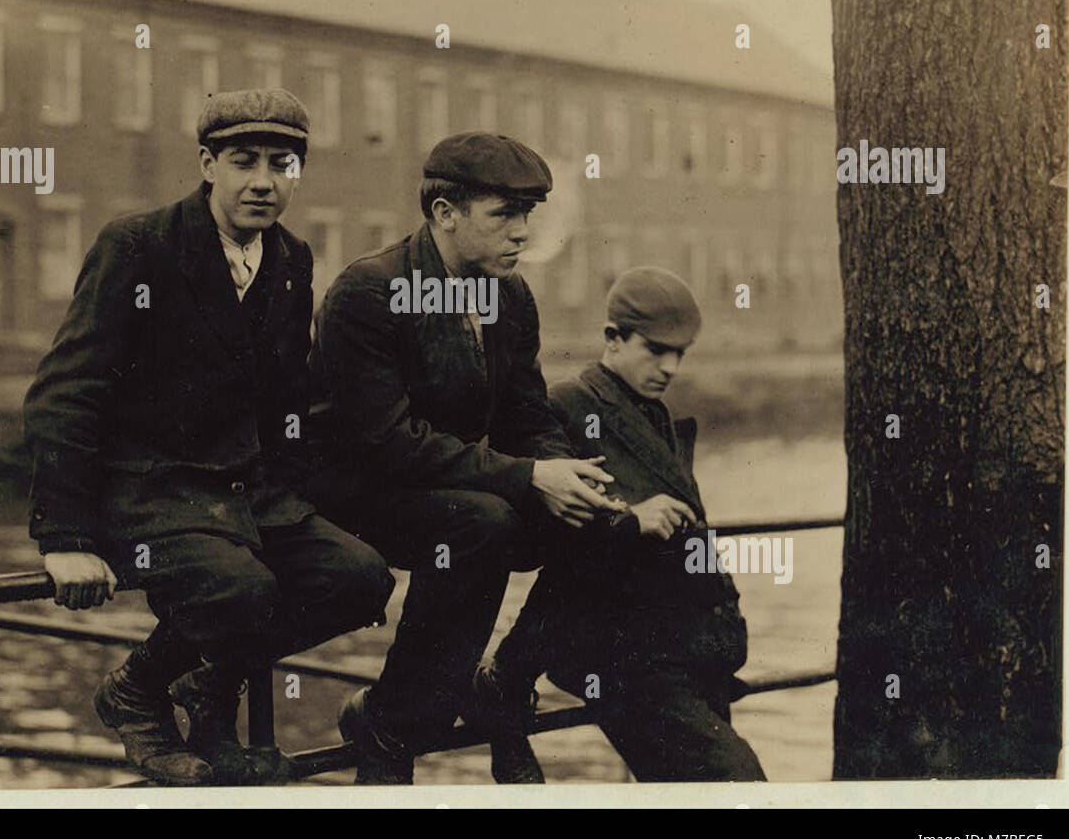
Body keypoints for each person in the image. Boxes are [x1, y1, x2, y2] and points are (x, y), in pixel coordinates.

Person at [22, 89, 394, 786]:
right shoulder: (137, 246)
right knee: (239, 588)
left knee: (358, 578)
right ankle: (139, 692)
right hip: (147, 486)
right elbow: (66, 390)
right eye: (243, 160)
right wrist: (64, 538)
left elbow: (287, 403)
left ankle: (203, 691)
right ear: (207, 164)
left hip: (242, 490)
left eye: (282, 163)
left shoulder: (290, 258)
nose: (263, 180)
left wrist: (300, 501)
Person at [305, 131, 624, 784]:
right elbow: (386, 441)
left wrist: (568, 474)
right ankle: (394, 726)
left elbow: (526, 413)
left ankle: (499, 687)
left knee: (595, 524)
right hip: (359, 492)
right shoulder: (370, 290)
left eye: (529, 213)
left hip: (452, 484)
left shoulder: (508, 295)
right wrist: (529, 477)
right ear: (444, 213)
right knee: (483, 523)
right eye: (504, 214)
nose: (523, 232)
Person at [476, 266, 767, 782]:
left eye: (680, 353)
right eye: (656, 350)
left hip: (688, 655)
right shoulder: (569, 405)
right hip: (627, 659)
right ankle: (502, 688)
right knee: (737, 781)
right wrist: (632, 519)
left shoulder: (653, 414)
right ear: (613, 338)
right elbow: (556, 532)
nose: (671, 367)